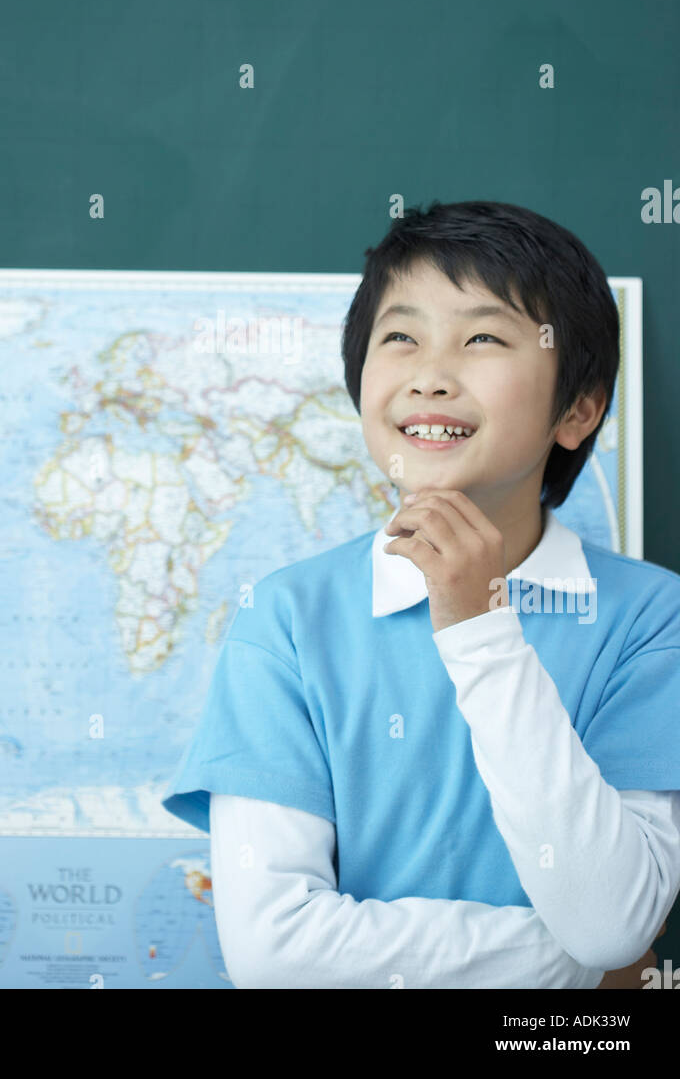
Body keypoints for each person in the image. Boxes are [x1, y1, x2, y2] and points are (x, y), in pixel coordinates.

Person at [160, 200, 680, 988]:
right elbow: (274, 953)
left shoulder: (650, 620)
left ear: (577, 410)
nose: (430, 375)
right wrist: (565, 965)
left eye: (482, 339)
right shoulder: (287, 620)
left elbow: (609, 921)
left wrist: (479, 629)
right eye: (400, 337)